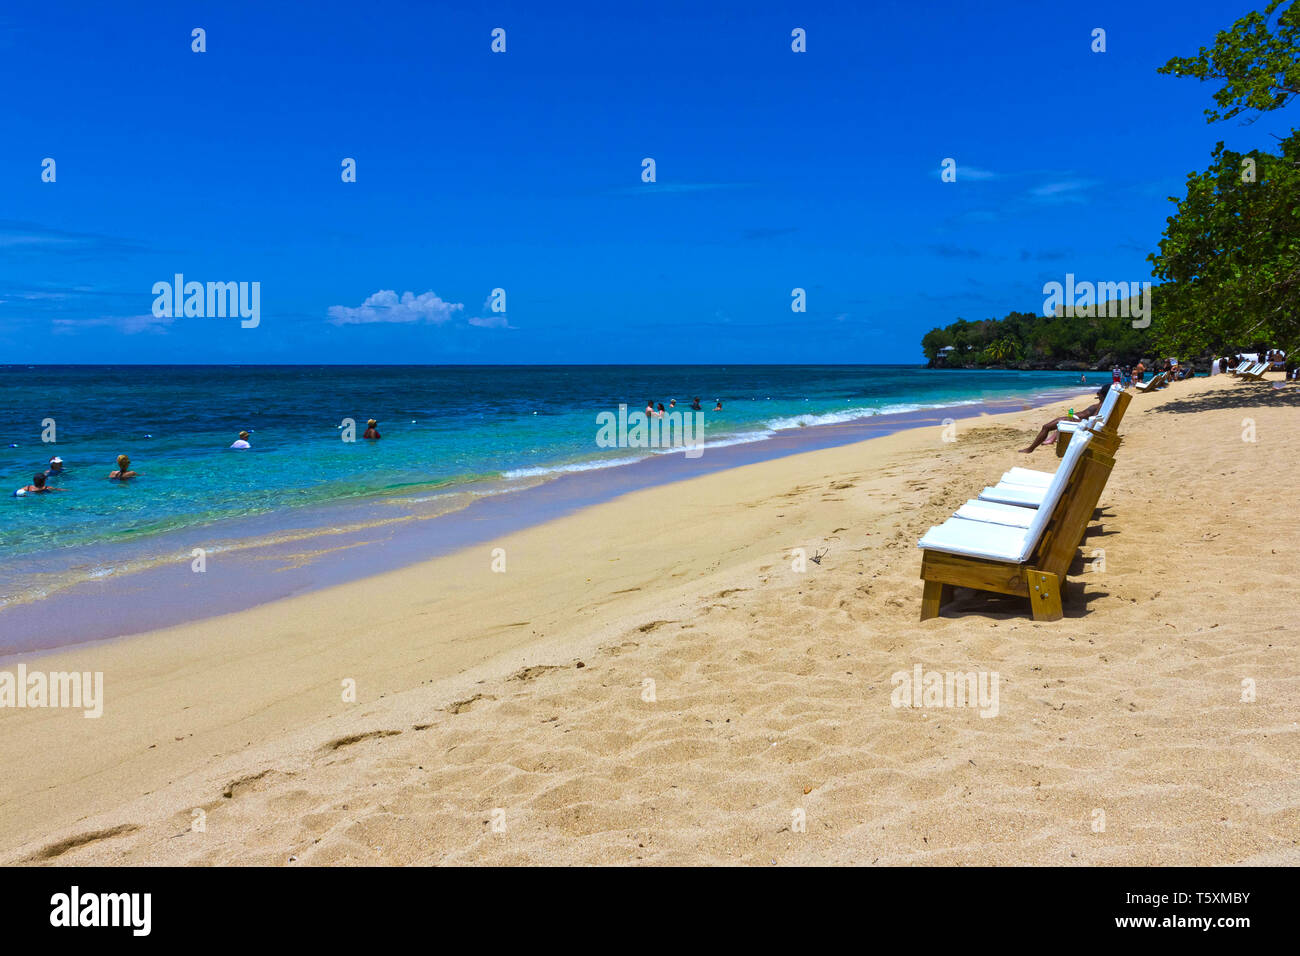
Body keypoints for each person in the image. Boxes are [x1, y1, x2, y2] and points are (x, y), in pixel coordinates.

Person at [1020, 385, 1110, 454]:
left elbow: (1092, 420)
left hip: (1076, 421)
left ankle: (1030, 449)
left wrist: (1077, 421)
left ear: (1103, 394)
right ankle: (1044, 443)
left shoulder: (1101, 405)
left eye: (1100, 392)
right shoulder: (1103, 403)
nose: (1098, 393)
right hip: (1076, 419)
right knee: (1048, 426)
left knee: (1046, 427)